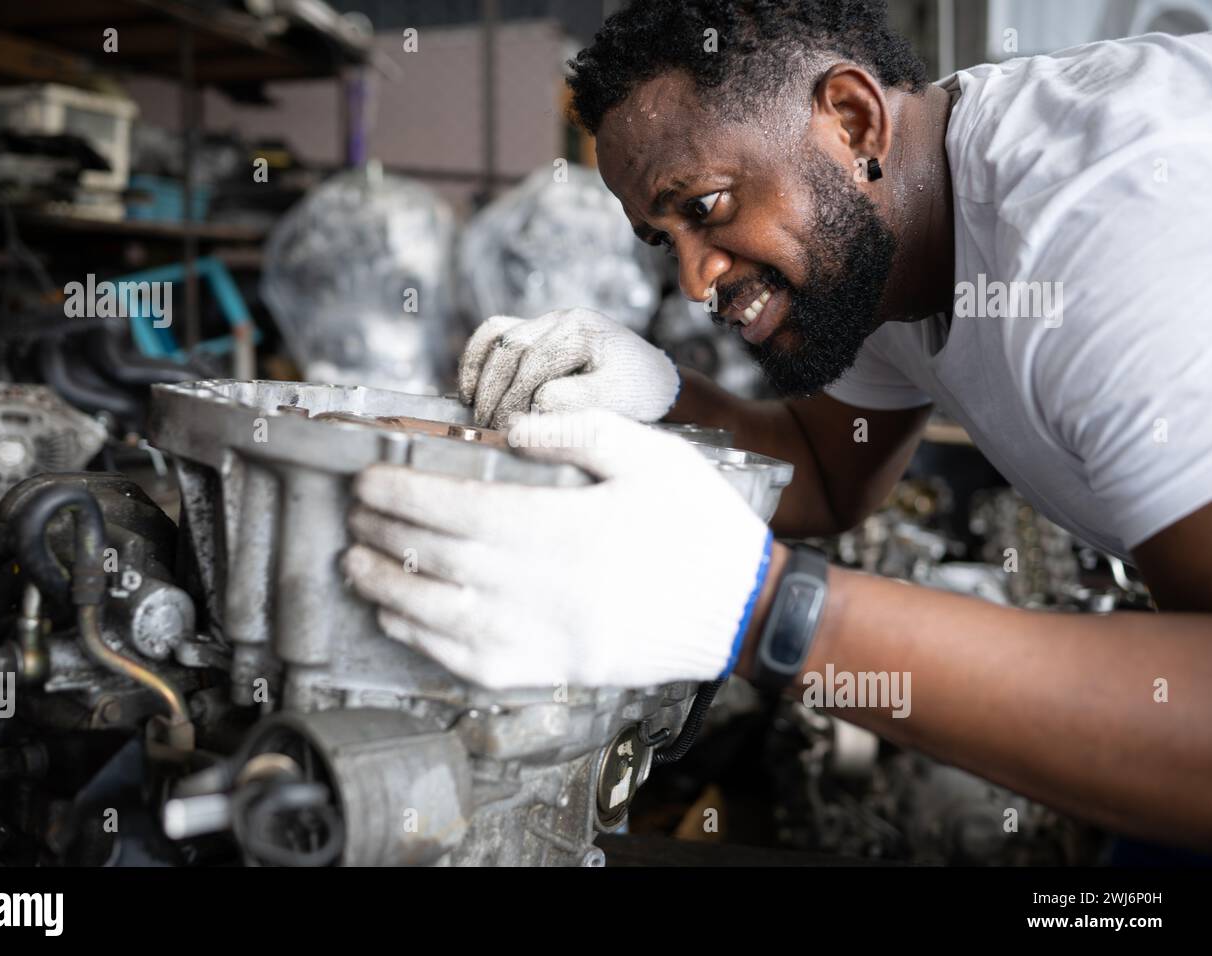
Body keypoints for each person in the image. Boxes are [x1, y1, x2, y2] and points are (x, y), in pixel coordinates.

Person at [344, 0, 1212, 849]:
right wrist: (661, 394)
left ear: (850, 118)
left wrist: (761, 611)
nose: (693, 280)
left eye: (708, 206)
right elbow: (826, 476)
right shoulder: (884, 238)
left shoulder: (1104, 229)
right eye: (663, 238)